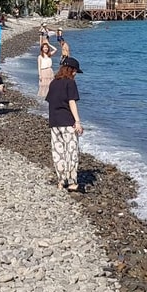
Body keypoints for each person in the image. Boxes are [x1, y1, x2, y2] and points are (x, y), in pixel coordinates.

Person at [45, 57, 84, 191]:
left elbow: (50, 102)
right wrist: (77, 122)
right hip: (67, 122)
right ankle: (72, 182)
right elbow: (72, 102)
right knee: (71, 152)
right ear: (70, 70)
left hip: (54, 123)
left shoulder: (53, 83)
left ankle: (61, 181)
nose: (75, 74)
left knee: (58, 152)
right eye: (75, 71)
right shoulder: (70, 83)